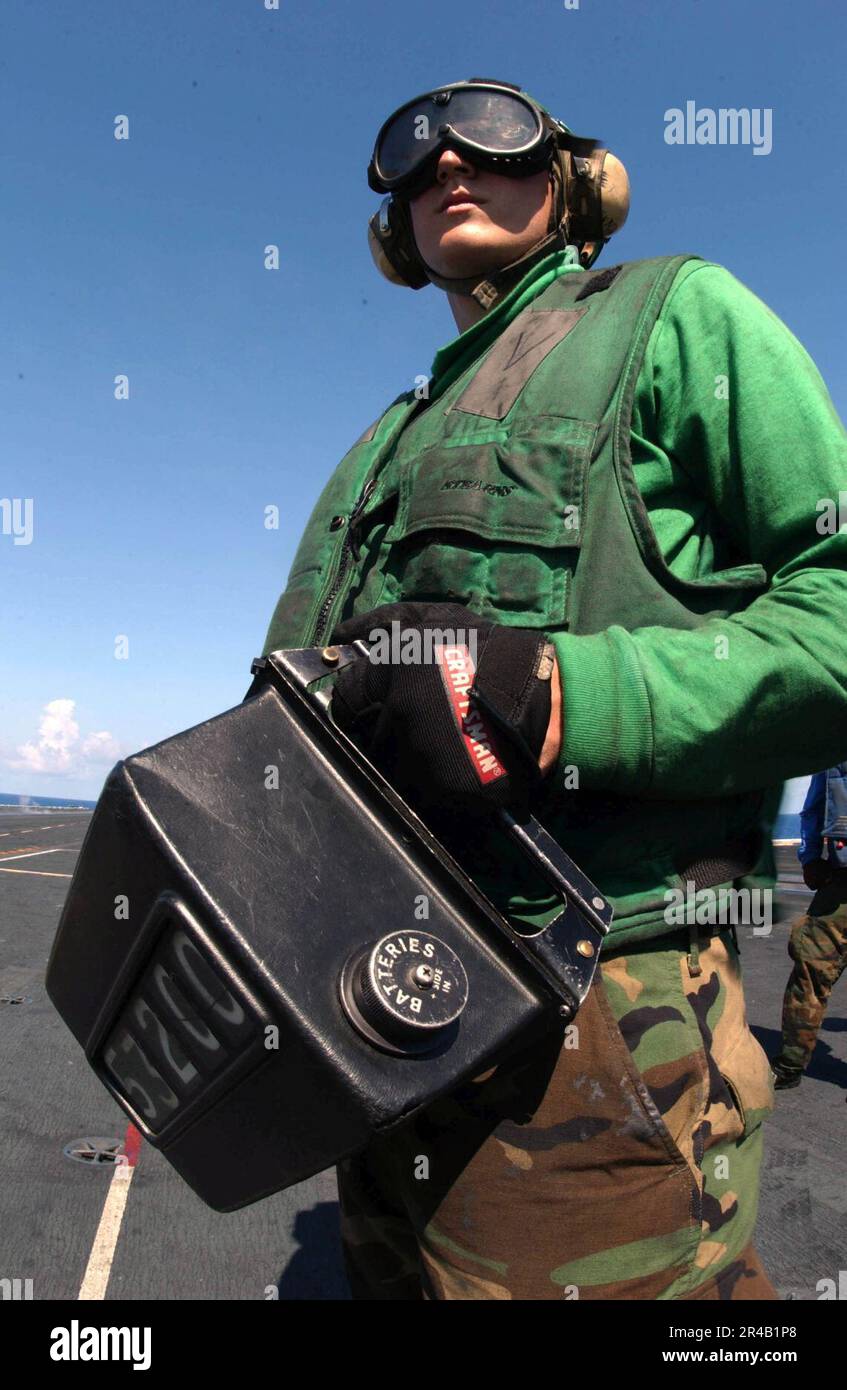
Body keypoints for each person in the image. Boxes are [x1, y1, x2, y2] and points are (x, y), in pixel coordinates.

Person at [261, 79, 847, 1299]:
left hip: (595, 1011)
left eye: (490, 141)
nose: (447, 170)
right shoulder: (389, 437)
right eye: (416, 167)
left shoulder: (676, 314)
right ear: (394, 232)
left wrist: (564, 695)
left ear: (570, 181)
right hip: (376, 1010)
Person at [771, 763, 847, 1090]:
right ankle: (788, 1065)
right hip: (839, 883)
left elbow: (814, 807)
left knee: (811, 977)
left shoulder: (835, 741)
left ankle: (789, 1066)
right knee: (810, 973)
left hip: (840, 885)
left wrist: (810, 858)